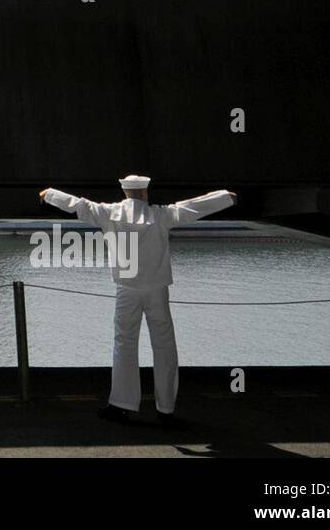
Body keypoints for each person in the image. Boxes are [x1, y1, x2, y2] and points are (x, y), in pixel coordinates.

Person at [37, 176, 236, 425]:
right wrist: (225, 197)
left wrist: (50, 194)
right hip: (157, 290)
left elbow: (79, 205)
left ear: (125, 192)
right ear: (144, 192)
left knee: (124, 345)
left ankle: (122, 404)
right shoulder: (161, 215)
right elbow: (192, 207)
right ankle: (166, 409)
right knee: (164, 348)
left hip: (126, 290)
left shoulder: (108, 213)